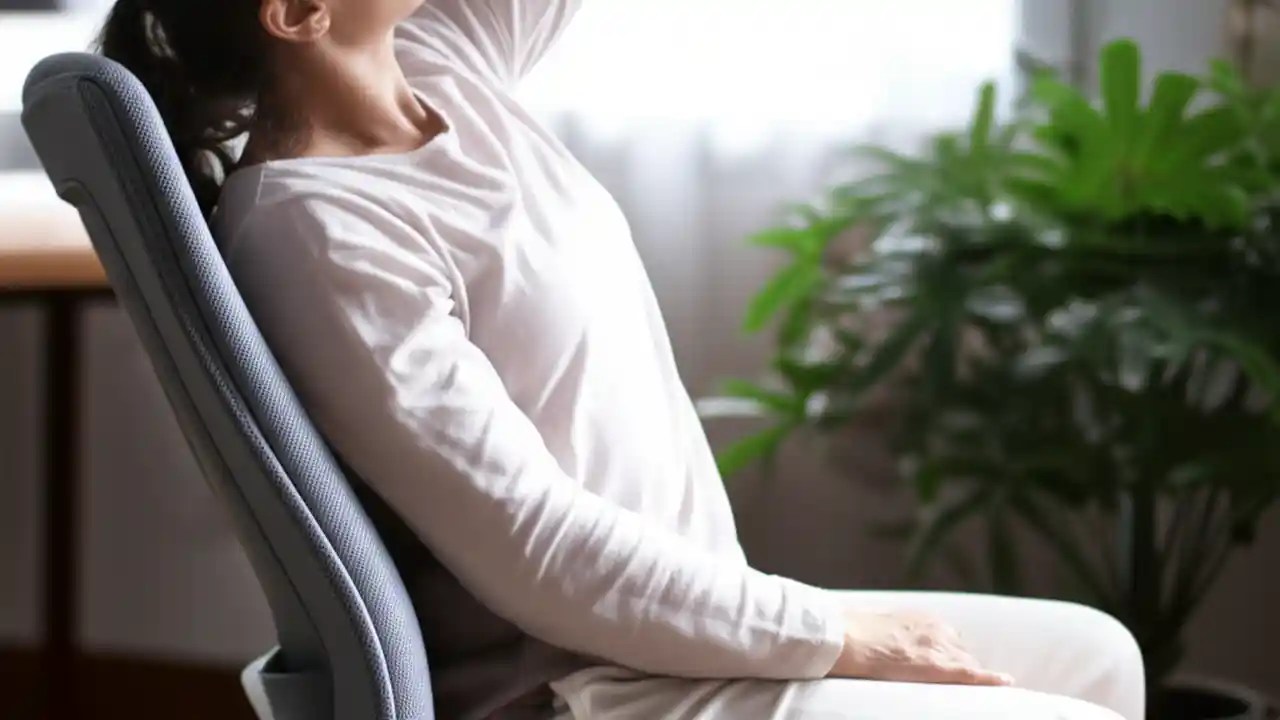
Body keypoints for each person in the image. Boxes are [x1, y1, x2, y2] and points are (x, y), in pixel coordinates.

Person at [98, 1, 1145, 718]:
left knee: (1100, 659)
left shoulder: (446, 67)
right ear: (295, 13)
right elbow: (538, 550)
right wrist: (828, 630)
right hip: (592, 692)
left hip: (669, 647)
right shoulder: (319, 232)